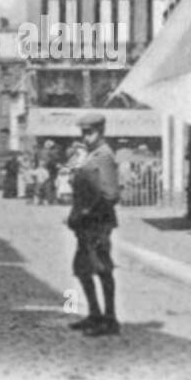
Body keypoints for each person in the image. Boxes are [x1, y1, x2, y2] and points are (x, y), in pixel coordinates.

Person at [66, 113, 121, 336]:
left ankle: (110, 319)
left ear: (101, 131)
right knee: (82, 269)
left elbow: (111, 194)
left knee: (102, 269)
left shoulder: (104, 155)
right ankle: (95, 314)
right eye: (83, 133)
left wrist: (87, 212)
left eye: (90, 132)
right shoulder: (90, 155)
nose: (86, 137)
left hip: (98, 223)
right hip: (85, 224)